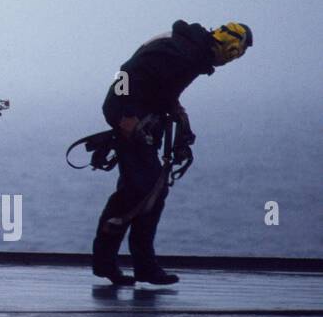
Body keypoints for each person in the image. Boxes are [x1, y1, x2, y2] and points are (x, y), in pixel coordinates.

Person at [91, 20, 252, 286]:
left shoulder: (192, 51)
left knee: (148, 189)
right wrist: (128, 114)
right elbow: (127, 72)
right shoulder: (182, 51)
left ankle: (122, 263)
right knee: (145, 188)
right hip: (128, 114)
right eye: (235, 54)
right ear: (229, 48)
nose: (231, 61)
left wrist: (172, 105)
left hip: (143, 114)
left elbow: (158, 80)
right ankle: (128, 264)